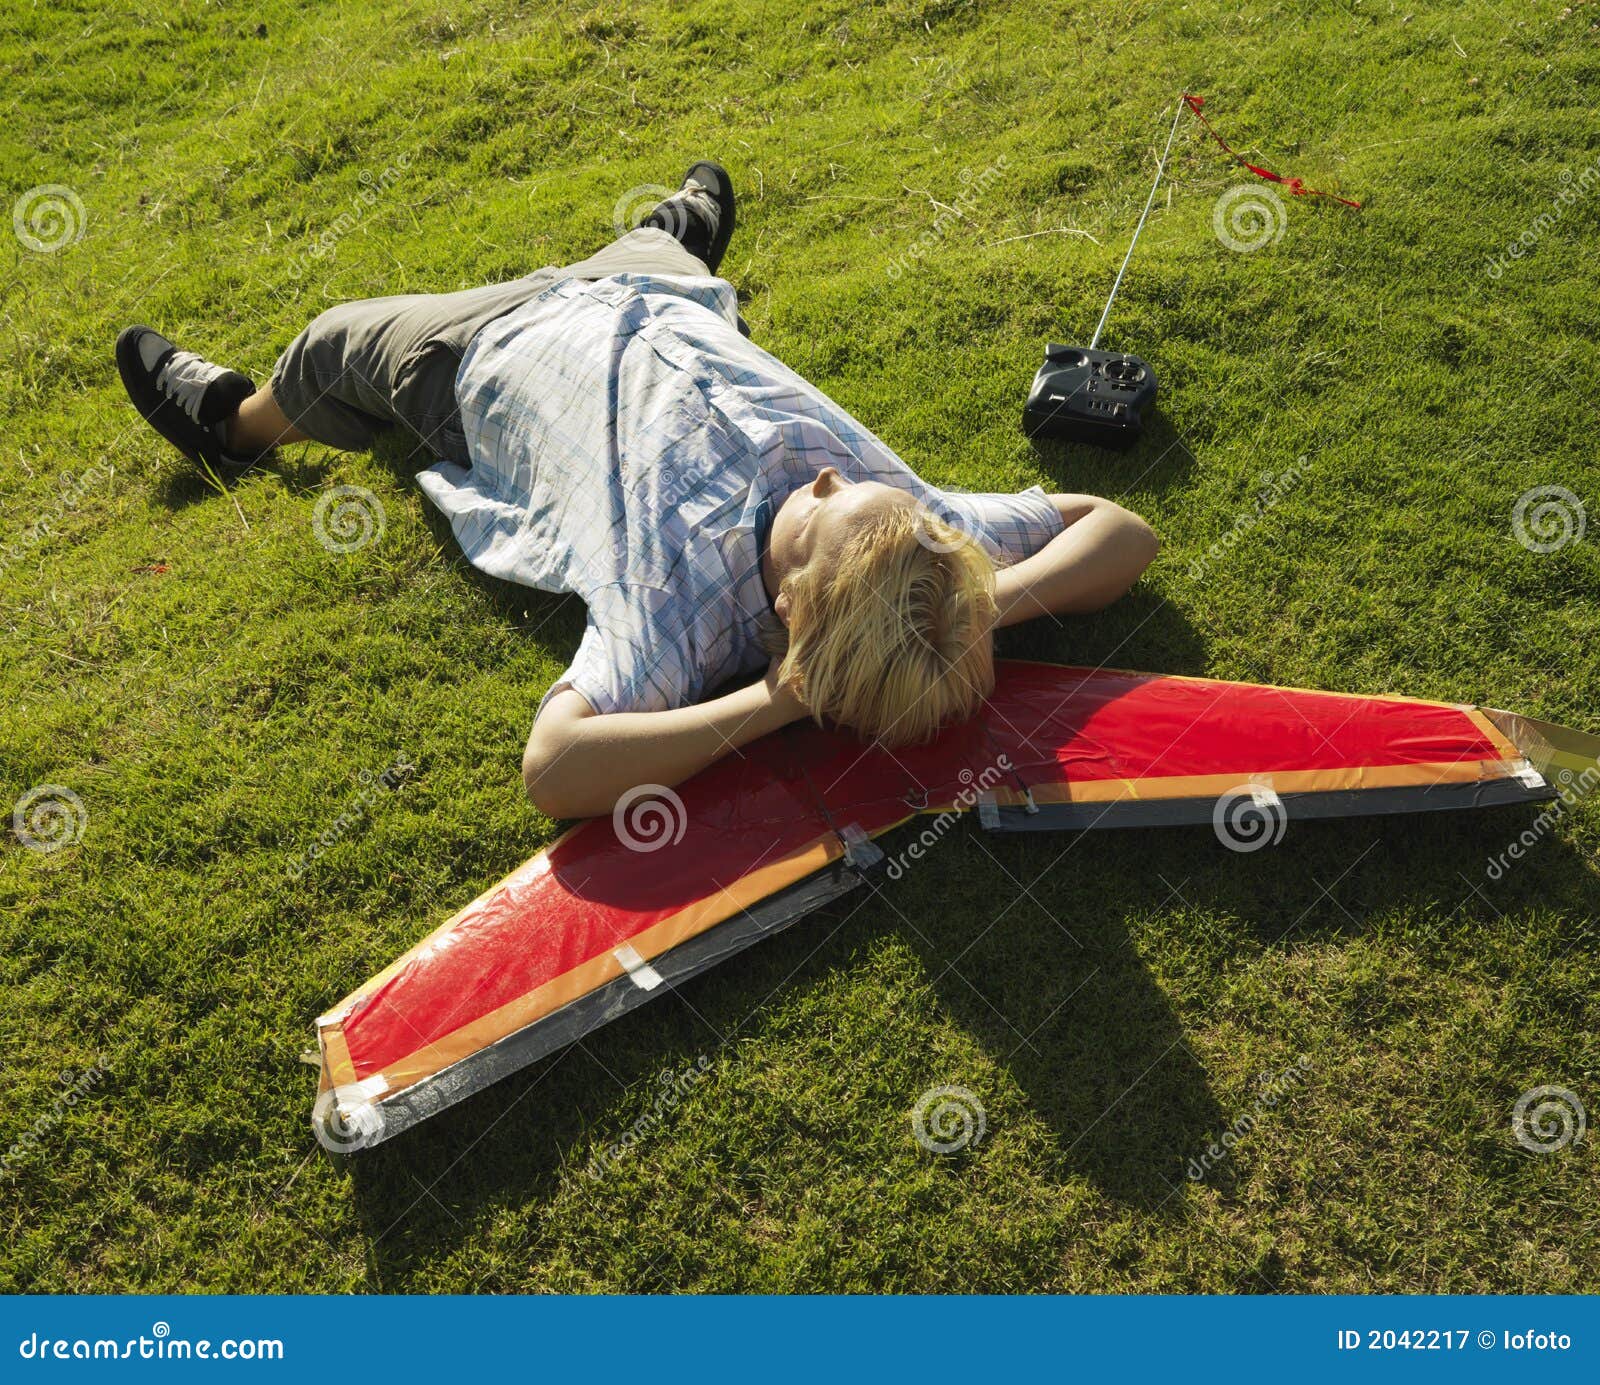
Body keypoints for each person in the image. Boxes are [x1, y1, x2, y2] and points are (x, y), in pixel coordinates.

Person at [116, 162, 1159, 819]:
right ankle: (676, 236)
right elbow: (1121, 532)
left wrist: (773, 703)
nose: (835, 473)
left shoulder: (678, 613)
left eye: (820, 505)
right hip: (660, 300)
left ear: (788, 615)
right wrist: (978, 608)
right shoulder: (918, 543)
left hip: (480, 350)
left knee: (335, 336)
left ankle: (236, 425)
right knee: (662, 244)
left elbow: (556, 771)